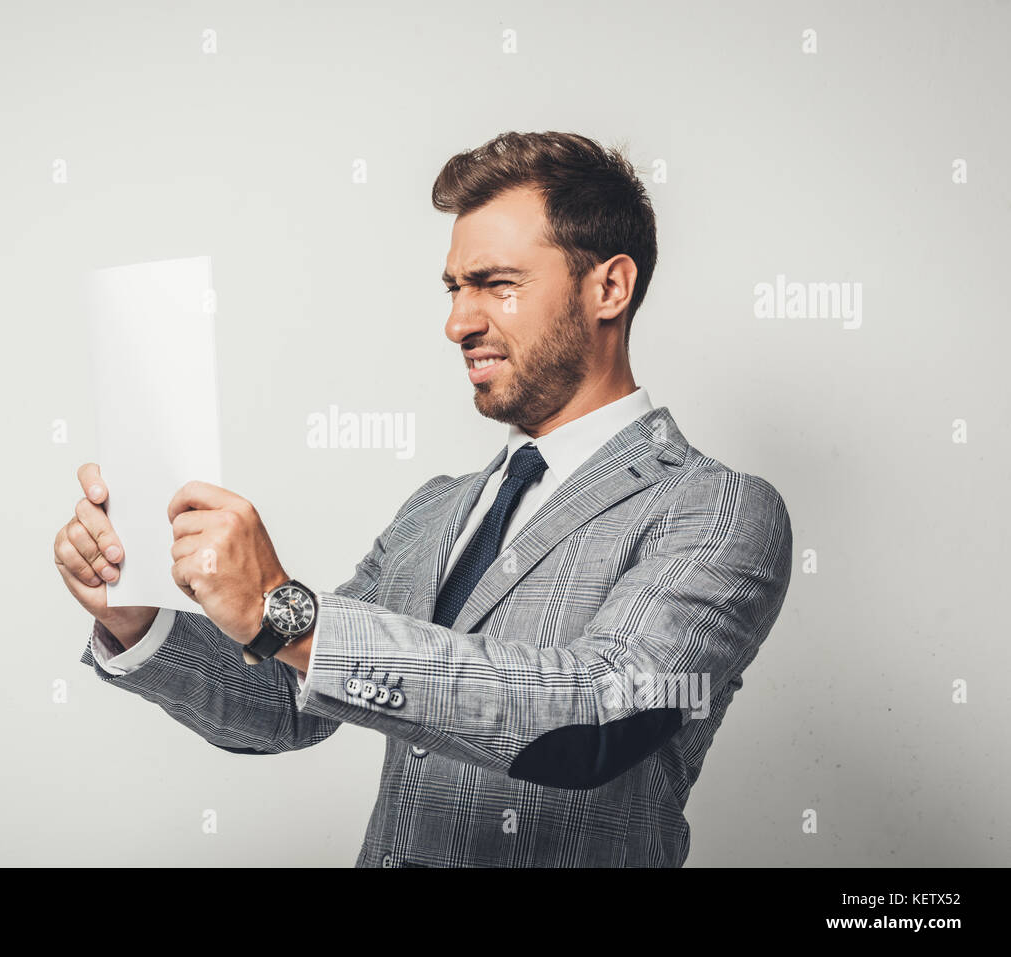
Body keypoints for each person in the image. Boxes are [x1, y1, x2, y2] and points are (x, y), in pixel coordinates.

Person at [53, 131, 794, 867]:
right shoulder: (437, 509)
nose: (458, 322)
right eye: (454, 287)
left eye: (497, 283)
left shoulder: (715, 509)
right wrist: (138, 616)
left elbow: (597, 714)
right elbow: (287, 705)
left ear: (609, 287)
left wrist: (286, 610)